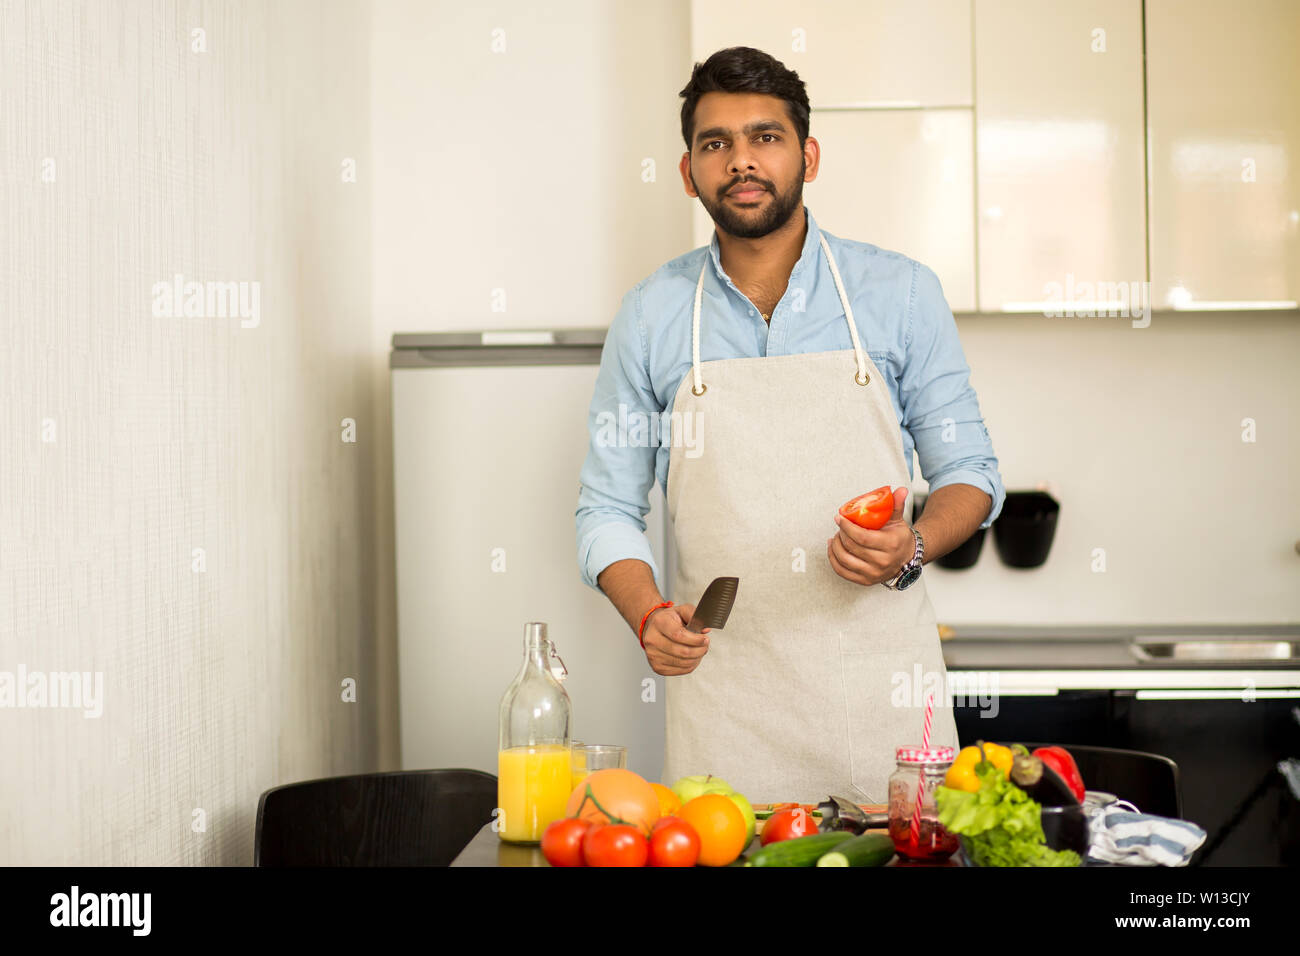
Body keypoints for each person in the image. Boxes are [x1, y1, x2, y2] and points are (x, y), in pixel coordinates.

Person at [574, 46, 1005, 804]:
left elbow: (970, 473)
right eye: (716, 143)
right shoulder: (650, 317)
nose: (742, 161)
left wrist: (915, 543)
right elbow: (607, 508)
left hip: (886, 703)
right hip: (728, 713)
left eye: (764, 137)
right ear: (689, 172)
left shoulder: (901, 294)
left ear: (806, 155)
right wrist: (647, 615)